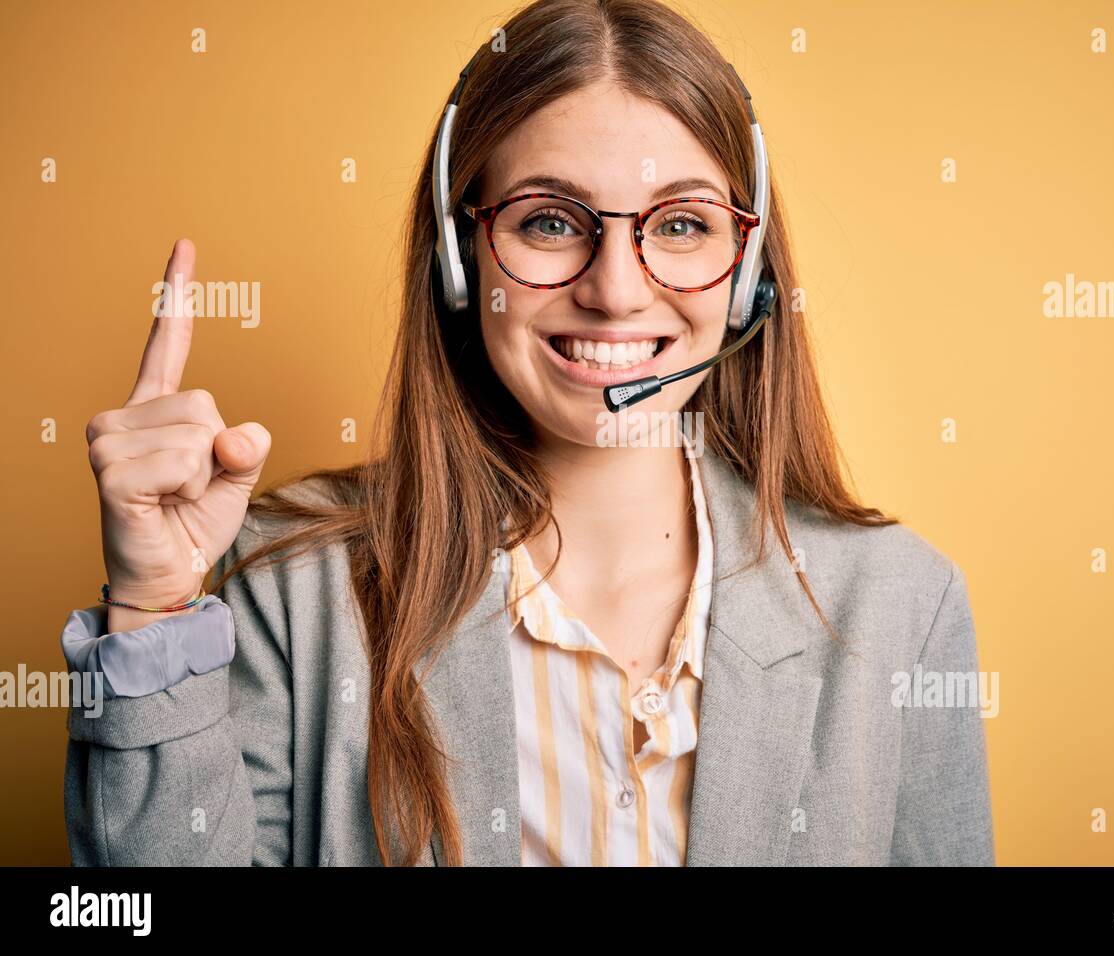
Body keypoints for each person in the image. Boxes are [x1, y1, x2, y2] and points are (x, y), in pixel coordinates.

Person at [60, 0, 993, 866]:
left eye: (680, 223)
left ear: (747, 269)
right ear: (460, 258)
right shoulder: (293, 588)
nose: (618, 289)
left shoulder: (903, 607)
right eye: (549, 220)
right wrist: (152, 607)